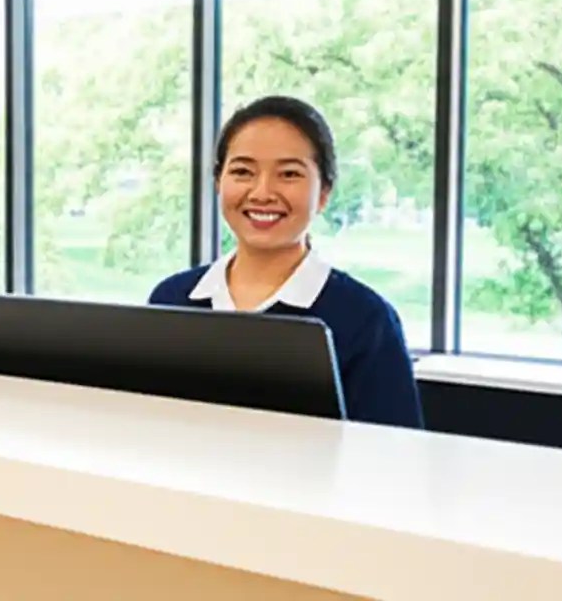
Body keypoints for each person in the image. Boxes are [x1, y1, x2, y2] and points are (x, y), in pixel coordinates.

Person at [148, 96, 424, 429]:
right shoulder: (171, 300)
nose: (262, 192)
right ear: (219, 183)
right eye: (243, 171)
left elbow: (393, 458)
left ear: (323, 193)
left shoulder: (367, 320)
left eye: (289, 174)